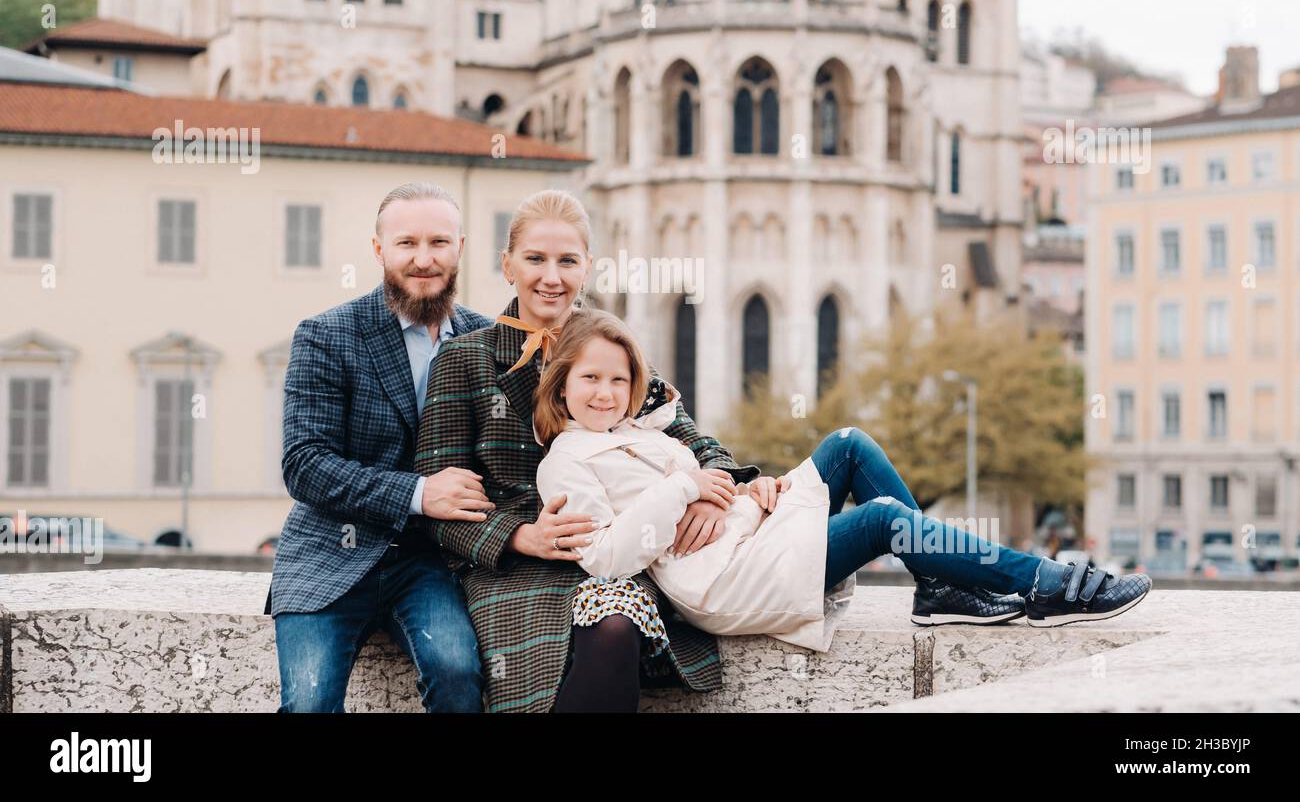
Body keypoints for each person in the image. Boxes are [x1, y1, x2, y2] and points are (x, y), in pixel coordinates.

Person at [533, 308, 1153, 643]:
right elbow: (606, 557)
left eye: (618, 379)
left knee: (848, 444)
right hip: (723, 583)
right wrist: (684, 489)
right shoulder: (566, 461)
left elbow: (702, 495)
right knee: (883, 520)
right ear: (561, 385)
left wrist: (751, 493)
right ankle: (1052, 584)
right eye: (590, 378)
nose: (607, 392)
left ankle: (936, 589)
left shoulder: (638, 433)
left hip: (748, 541)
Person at [415, 189, 761, 712]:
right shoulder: (465, 359)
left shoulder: (609, 346)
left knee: (616, 628)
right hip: (512, 570)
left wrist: (712, 491)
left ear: (588, 268)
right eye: (535, 259)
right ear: (507, 265)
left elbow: (697, 443)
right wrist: (520, 536)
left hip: (617, 555)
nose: (551, 276)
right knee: (571, 646)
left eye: (567, 261)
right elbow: (437, 507)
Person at [268, 182, 493, 712]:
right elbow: (304, 465)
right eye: (406, 243)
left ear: (460, 247)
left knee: (460, 677)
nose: (423, 259)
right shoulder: (325, 334)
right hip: (326, 554)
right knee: (308, 704)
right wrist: (418, 494)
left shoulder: (488, 340)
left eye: (438, 243)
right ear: (379, 251)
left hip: (429, 562)